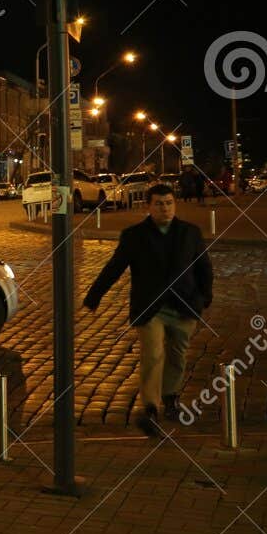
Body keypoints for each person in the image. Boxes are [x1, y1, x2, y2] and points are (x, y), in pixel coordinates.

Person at [83, 182, 212, 437]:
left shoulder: (190, 233)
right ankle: (151, 408)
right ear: (148, 206)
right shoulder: (135, 236)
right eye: (159, 204)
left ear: (174, 205)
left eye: (169, 203)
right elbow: (115, 267)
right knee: (153, 354)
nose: (165, 208)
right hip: (150, 307)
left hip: (184, 305)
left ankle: (171, 398)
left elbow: (204, 267)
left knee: (178, 354)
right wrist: (94, 295)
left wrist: (204, 297)